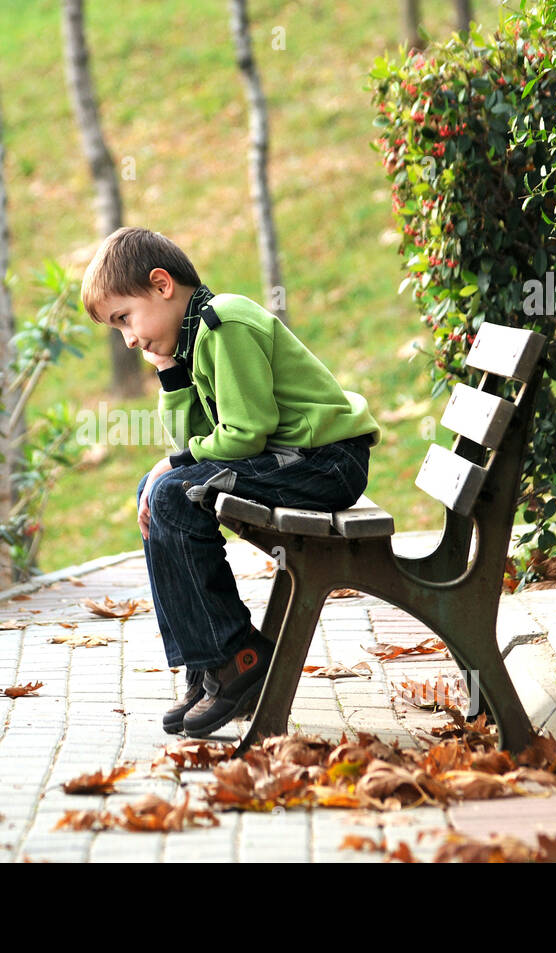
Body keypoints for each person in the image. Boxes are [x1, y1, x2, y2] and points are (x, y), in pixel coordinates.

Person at [81, 227, 382, 738]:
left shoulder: (227, 323)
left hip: (325, 463)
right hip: (290, 461)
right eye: (118, 330)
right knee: (156, 492)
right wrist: (172, 377)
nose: (128, 339)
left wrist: (174, 464)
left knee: (174, 493)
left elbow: (244, 434)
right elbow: (201, 437)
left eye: (124, 319)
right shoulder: (195, 338)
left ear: (161, 285)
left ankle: (236, 659)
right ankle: (207, 666)